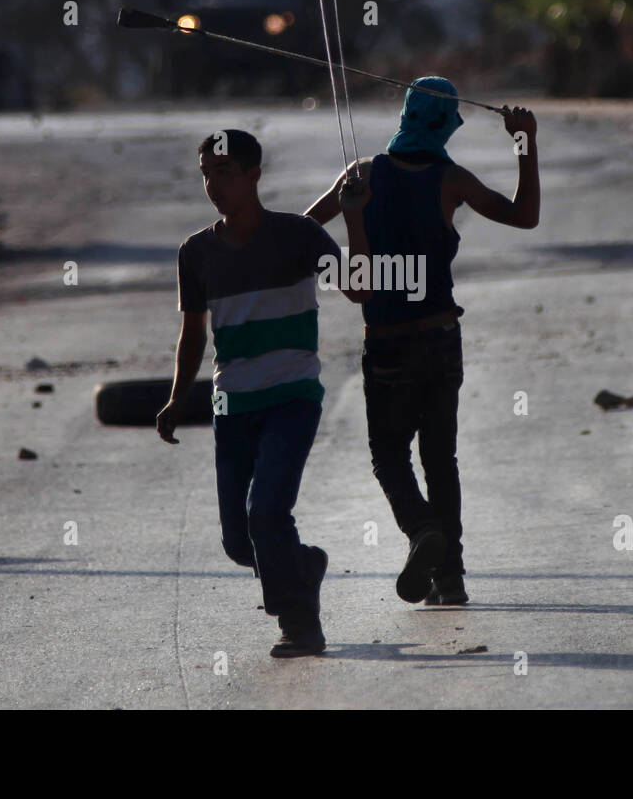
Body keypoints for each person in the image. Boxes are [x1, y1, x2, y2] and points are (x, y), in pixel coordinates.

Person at [305, 78, 539, 606]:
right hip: (440, 337)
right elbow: (526, 216)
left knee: (389, 456)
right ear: (448, 124)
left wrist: (350, 228)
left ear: (407, 115)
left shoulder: (361, 174)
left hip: (386, 341)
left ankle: (420, 531)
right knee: (440, 459)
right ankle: (450, 577)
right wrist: (524, 139)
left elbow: (301, 232)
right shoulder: (451, 180)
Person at [158, 129, 371, 657]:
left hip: (291, 396)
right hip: (231, 404)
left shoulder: (298, 236)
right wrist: (177, 396)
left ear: (254, 174)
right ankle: (302, 566)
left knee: (267, 514)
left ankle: (299, 623)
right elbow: (193, 332)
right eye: (206, 173)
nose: (213, 184)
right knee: (238, 541)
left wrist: (355, 217)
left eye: (223, 173)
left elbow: (359, 286)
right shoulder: (196, 251)